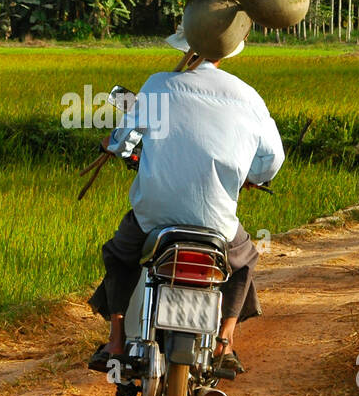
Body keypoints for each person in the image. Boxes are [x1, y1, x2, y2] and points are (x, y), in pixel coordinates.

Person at [87, 31, 284, 377]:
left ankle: (116, 340)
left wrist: (112, 143)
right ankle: (225, 341)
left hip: (154, 215)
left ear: (186, 47)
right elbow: (272, 160)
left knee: (120, 254)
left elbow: (125, 139)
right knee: (244, 259)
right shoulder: (249, 97)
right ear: (227, 54)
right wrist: (250, 175)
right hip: (217, 223)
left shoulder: (159, 85)